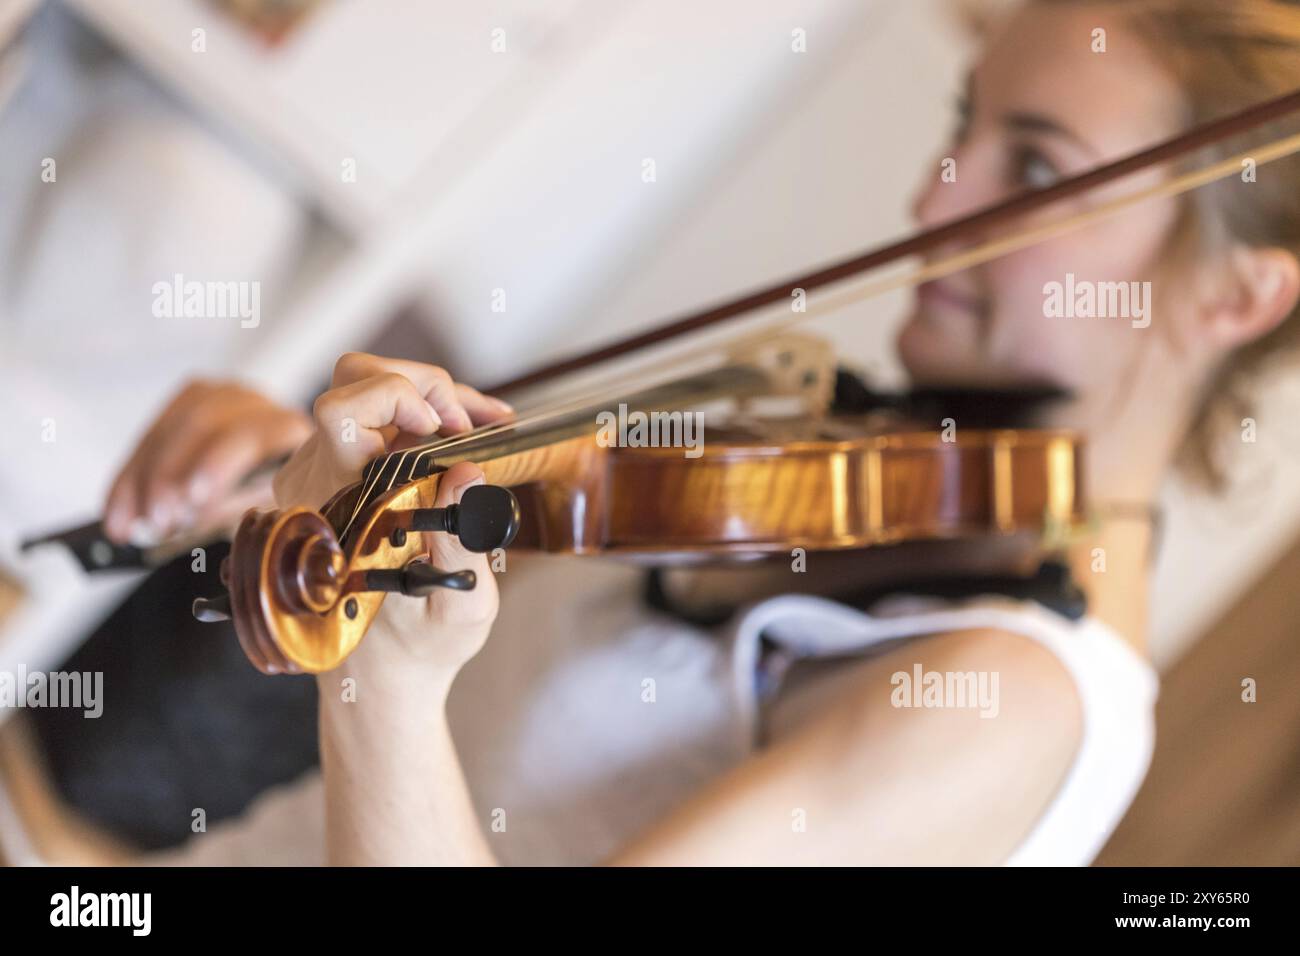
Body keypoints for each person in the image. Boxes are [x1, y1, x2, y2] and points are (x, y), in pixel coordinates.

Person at [89, 0, 1300, 864]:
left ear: (1237, 294)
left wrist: (381, 688)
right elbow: (458, 568)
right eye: (961, 130)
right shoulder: (832, 466)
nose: (932, 198)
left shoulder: (1009, 701)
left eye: (1034, 170)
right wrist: (301, 479)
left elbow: (406, 663)